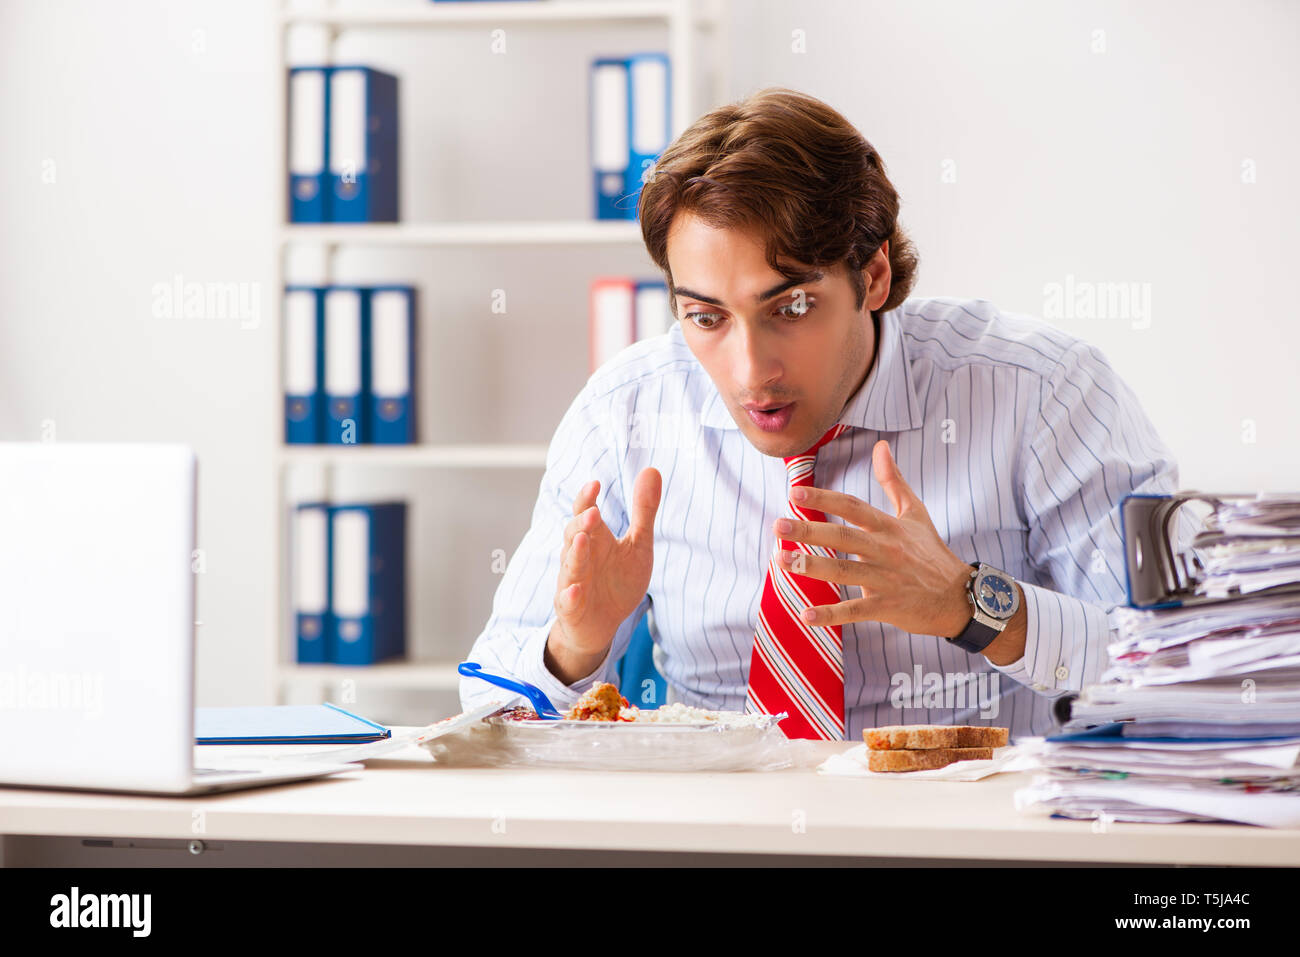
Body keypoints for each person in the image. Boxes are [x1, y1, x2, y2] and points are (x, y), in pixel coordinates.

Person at [459, 87, 1181, 740]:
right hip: (720, 843)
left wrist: (973, 606)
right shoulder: (626, 413)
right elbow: (481, 719)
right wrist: (573, 647)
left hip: (966, 839)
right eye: (706, 317)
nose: (751, 371)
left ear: (872, 275)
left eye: (791, 306)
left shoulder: (1045, 392)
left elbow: (1185, 674)